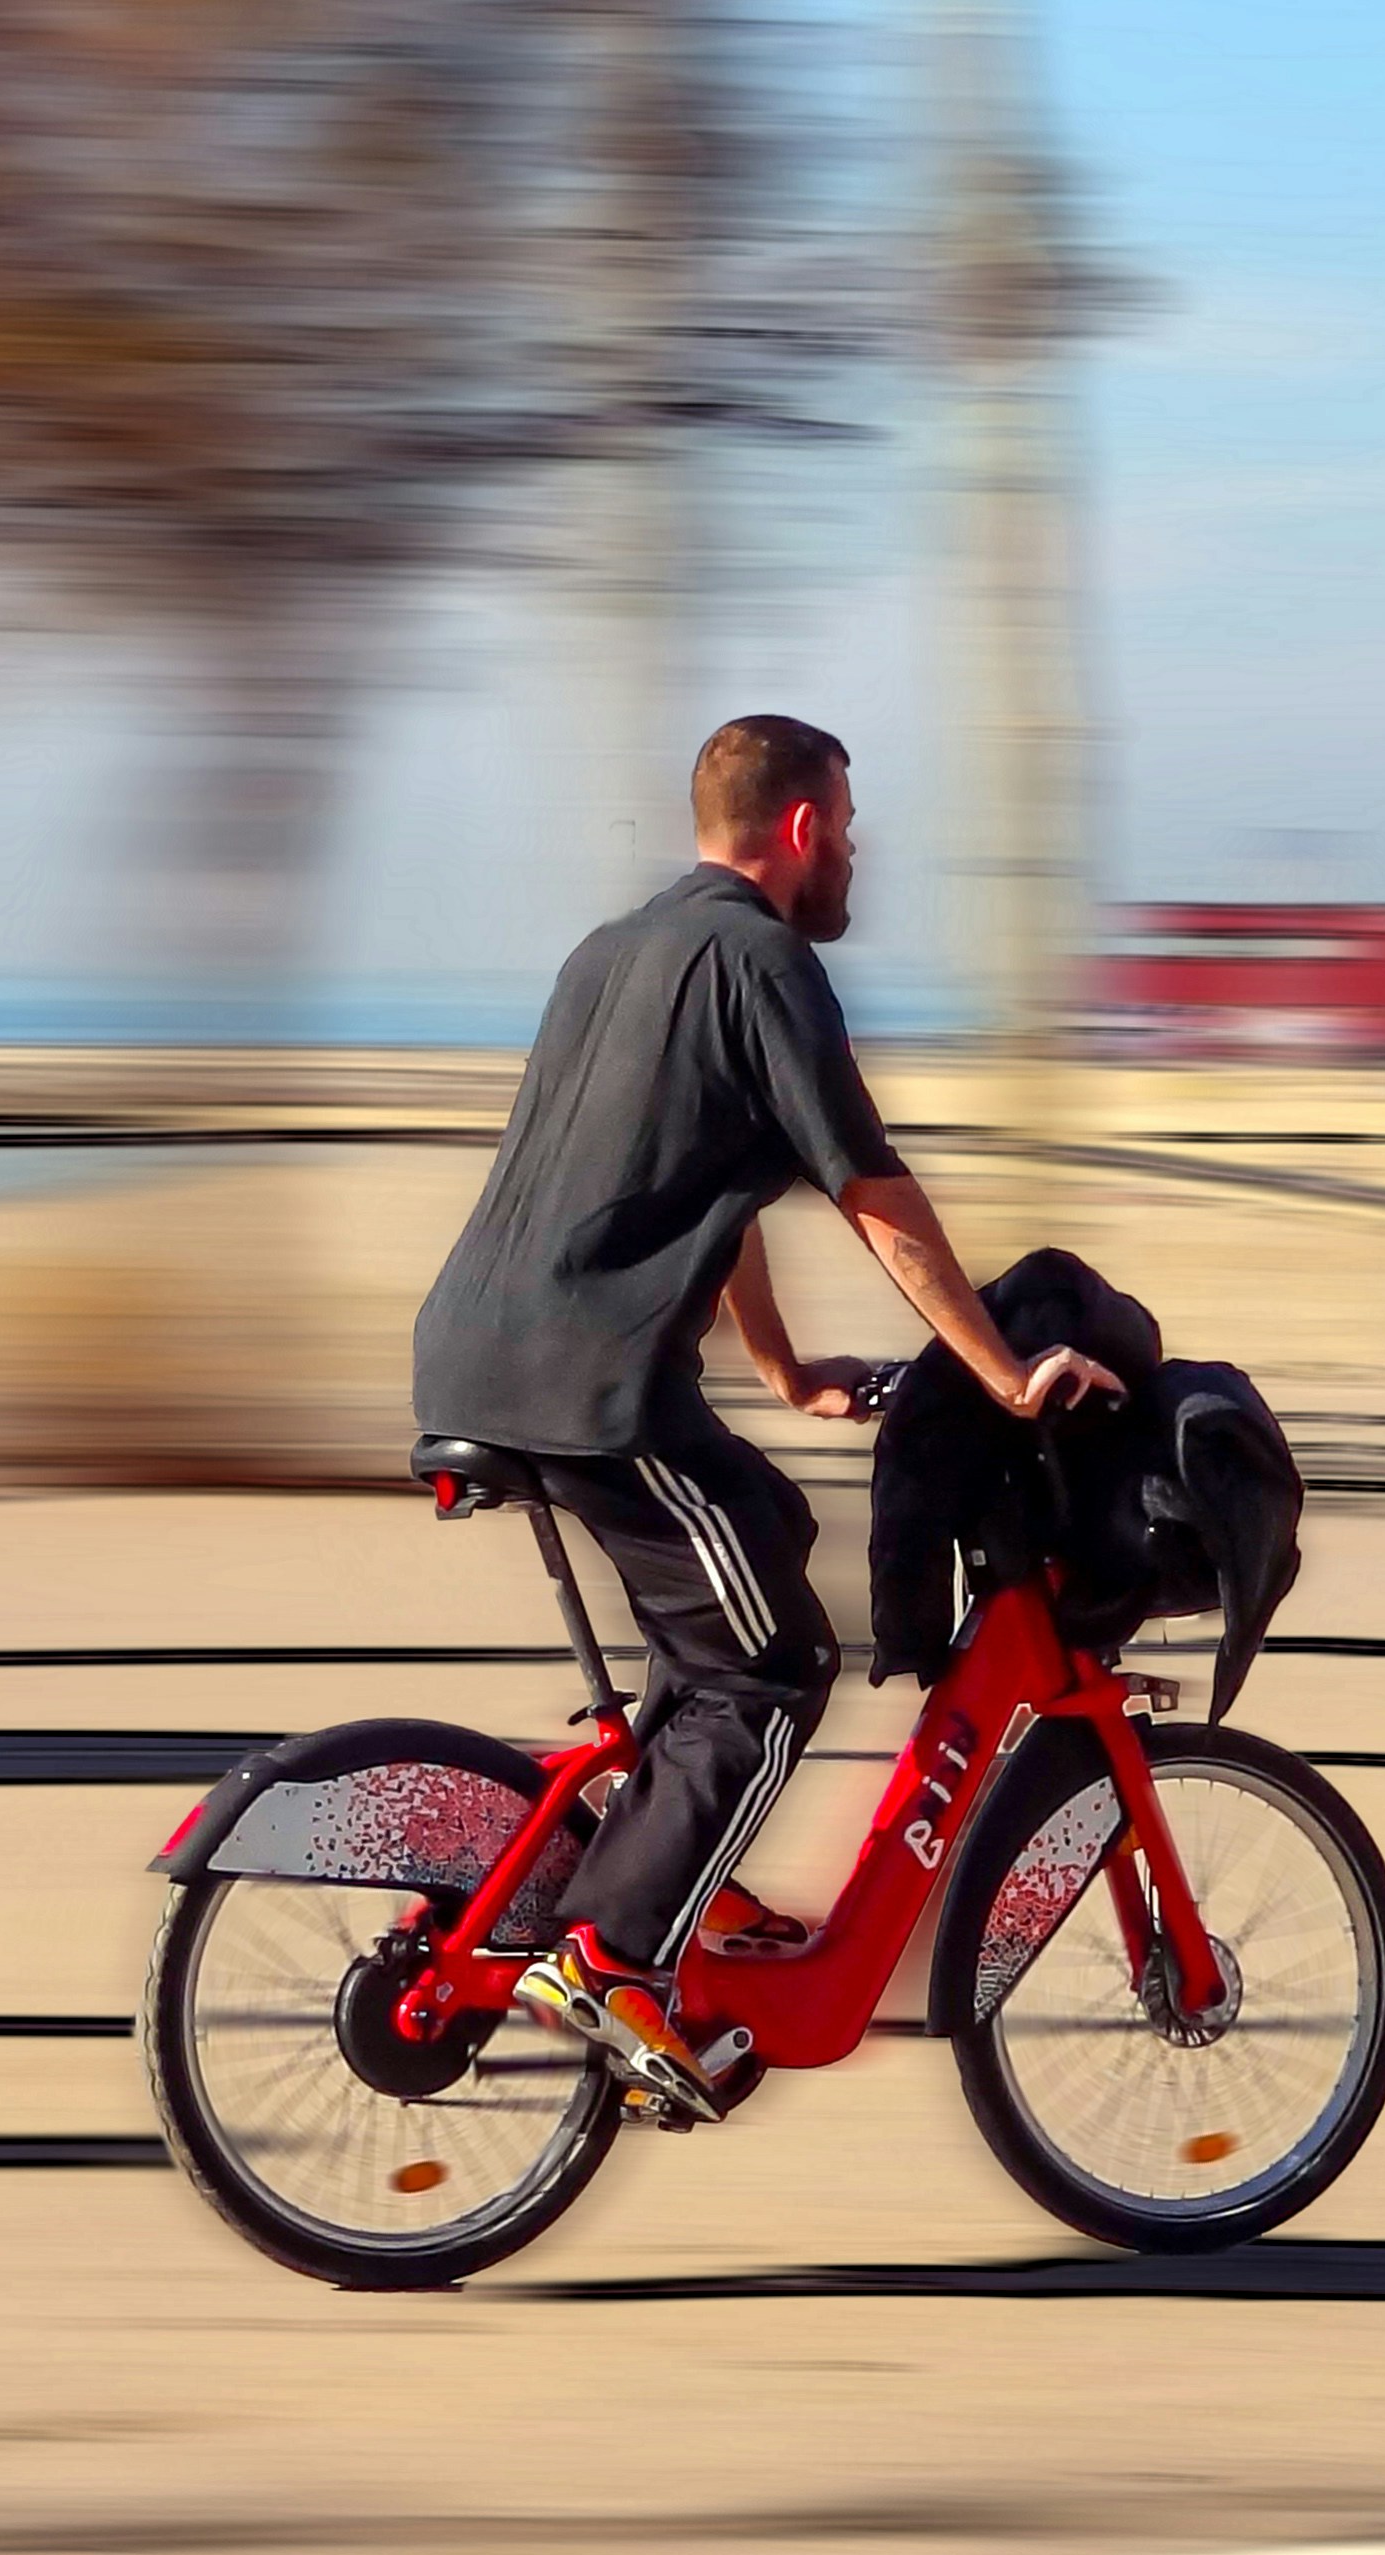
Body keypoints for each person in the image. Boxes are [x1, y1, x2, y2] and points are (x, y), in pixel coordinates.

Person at [410, 714, 1119, 2113]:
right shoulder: (760, 958)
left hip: (478, 1353)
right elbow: (870, 1190)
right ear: (799, 829)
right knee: (772, 1667)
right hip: (589, 1385)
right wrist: (998, 1373)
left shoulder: (611, 954)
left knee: (762, 1526)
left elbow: (708, 1181)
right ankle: (612, 1955)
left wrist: (786, 1375)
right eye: (847, 827)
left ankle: (681, 1861)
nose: (855, 853)